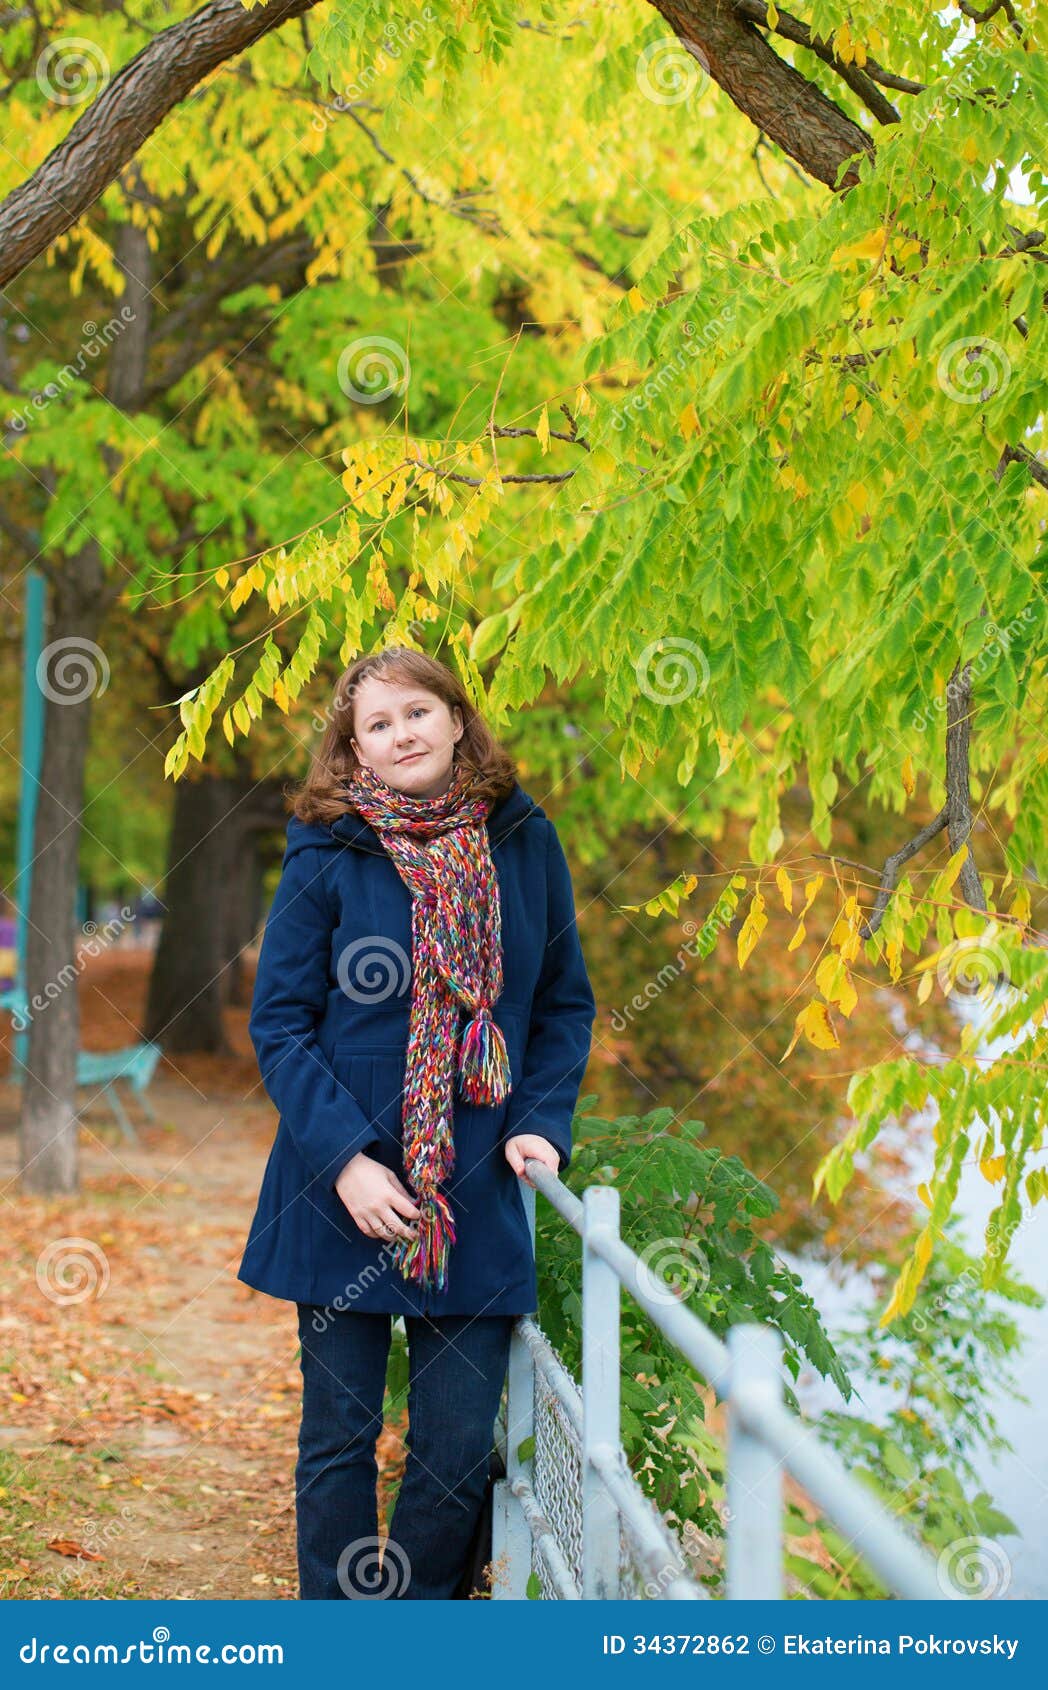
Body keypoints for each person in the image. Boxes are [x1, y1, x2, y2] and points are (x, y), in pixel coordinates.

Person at [238, 646, 597, 1600]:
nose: (402, 735)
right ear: (353, 749)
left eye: (417, 713)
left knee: (452, 1448)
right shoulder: (329, 844)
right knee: (340, 1438)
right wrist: (348, 1160)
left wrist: (541, 1120)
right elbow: (278, 1021)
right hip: (338, 1178)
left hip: (475, 1172)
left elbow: (562, 1004)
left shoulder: (525, 839)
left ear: (455, 718)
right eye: (378, 724)